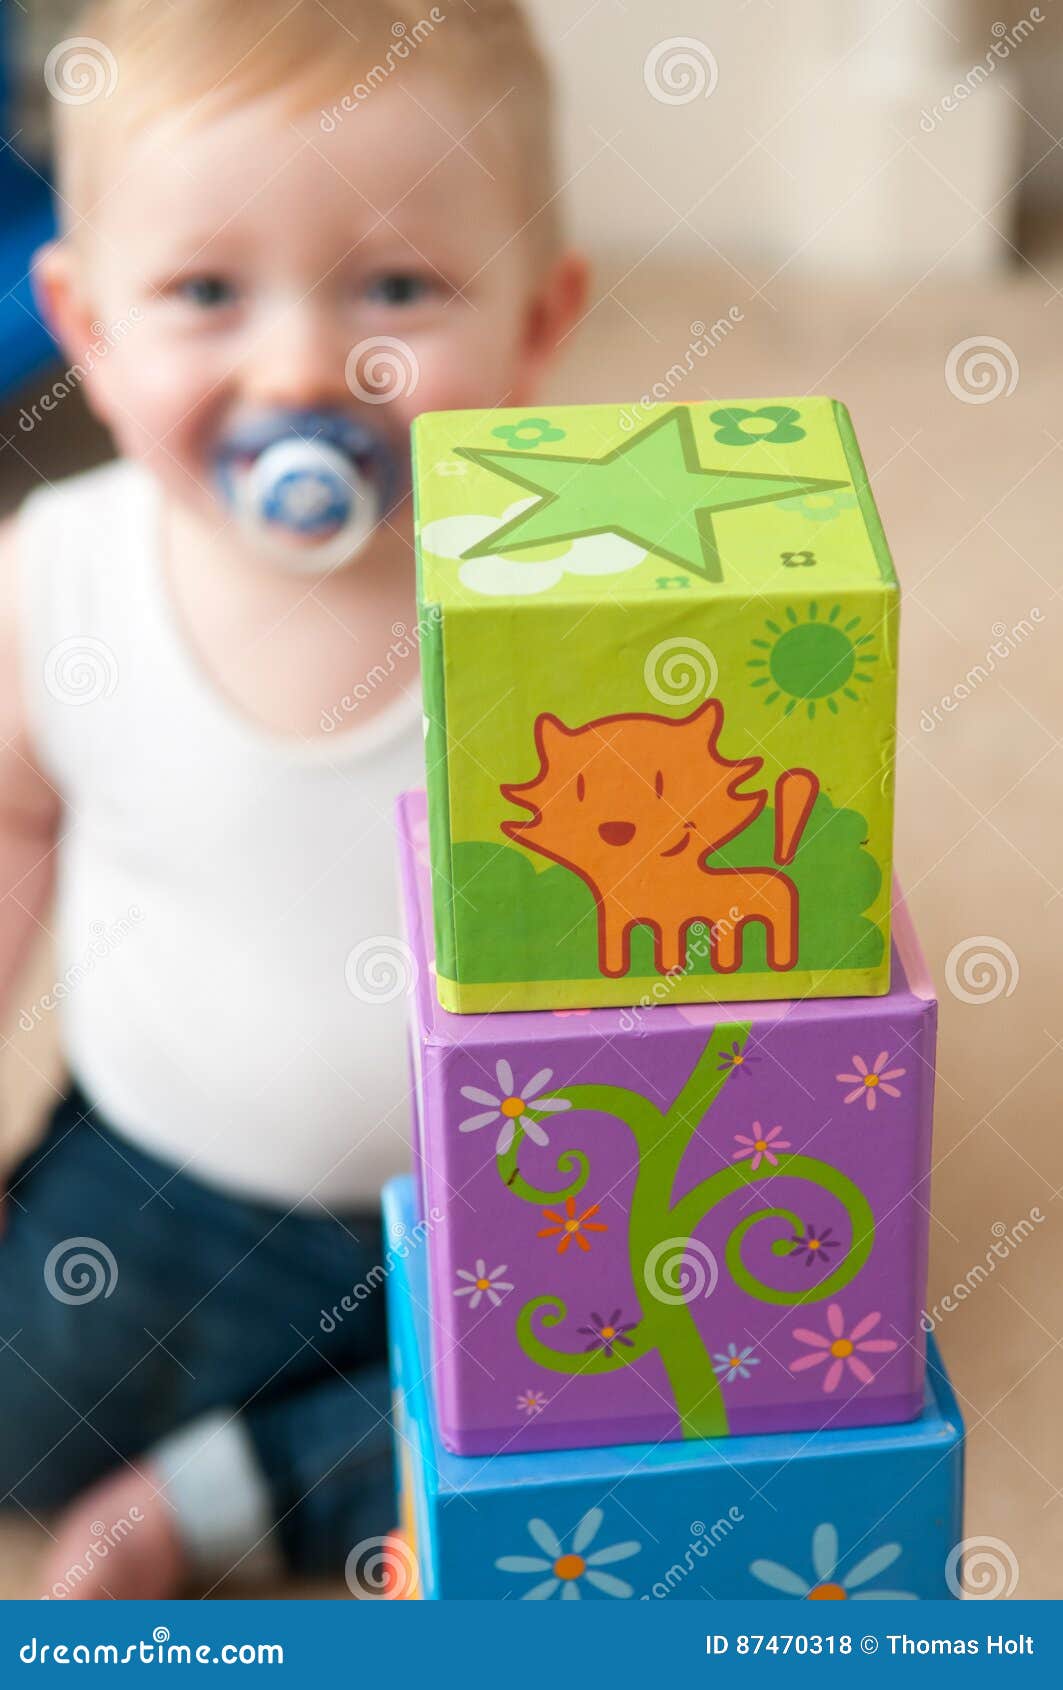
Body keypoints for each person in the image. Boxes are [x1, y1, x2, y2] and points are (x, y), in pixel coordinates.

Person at [0, 0, 587, 1598]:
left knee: (602, 1447)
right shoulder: (61, 574)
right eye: (203, 292)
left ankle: (220, 1496)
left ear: (543, 322)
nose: (302, 365)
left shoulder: (575, 590)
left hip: (509, 1193)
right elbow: (12, 823)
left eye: (398, 286)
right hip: (161, 1176)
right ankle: (267, 1452)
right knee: (17, 1419)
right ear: (90, 329)